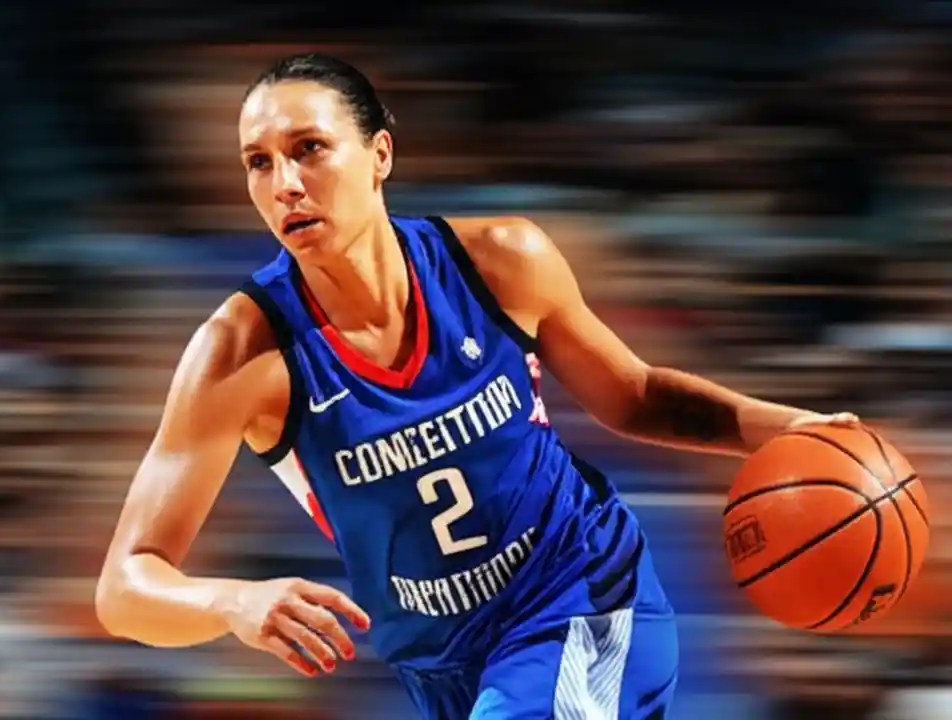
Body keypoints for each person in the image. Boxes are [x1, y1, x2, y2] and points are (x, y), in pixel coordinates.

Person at [95, 52, 859, 719]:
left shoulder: (500, 261)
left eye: (309, 149)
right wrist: (233, 602)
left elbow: (636, 396)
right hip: (446, 669)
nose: (285, 183)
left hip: (582, 596)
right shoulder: (238, 354)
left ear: (380, 154)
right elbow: (125, 587)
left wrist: (796, 428)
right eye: (258, 162)